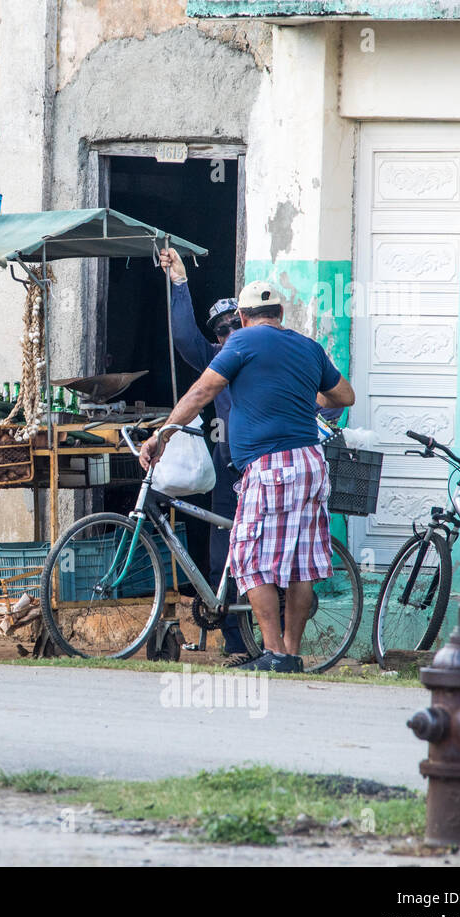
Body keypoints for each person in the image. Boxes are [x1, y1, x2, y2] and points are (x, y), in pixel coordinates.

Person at [139, 279, 356, 673]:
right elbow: (345, 396)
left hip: (271, 466)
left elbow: (201, 393)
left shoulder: (240, 344)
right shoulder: (309, 348)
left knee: (249, 560)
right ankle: (290, 653)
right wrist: (306, 396)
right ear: (281, 315)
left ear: (242, 317)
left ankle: (272, 652)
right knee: (300, 566)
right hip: (310, 463)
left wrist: (163, 434)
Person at [159, 248, 249, 665]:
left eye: (237, 323)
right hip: (228, 463)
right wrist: (179, 282)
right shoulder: (217, 360)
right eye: (222, 329)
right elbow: (184, 339)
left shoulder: (267, 355)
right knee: (222, 556)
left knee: (267, 553)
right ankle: (235, 644)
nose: (230, 332)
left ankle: (277, 642)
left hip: (267, 464)